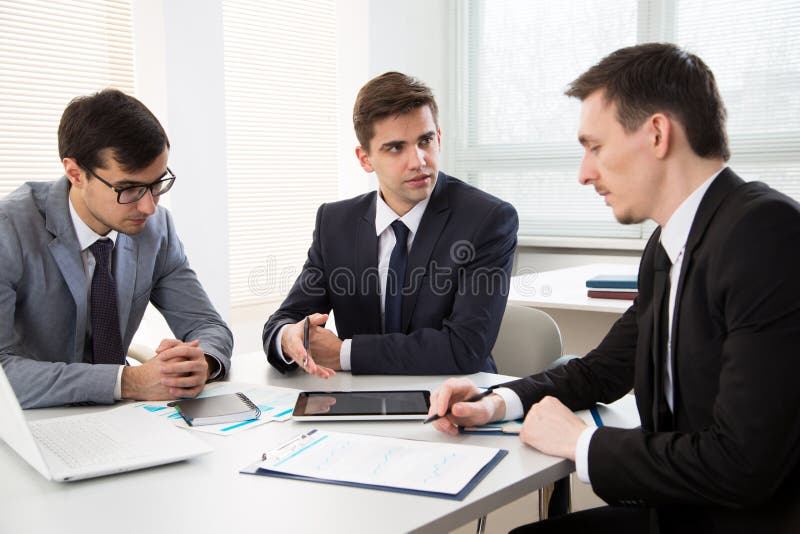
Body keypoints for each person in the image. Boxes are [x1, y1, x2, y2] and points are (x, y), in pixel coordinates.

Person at [428, 43, 800, 533]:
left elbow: (743, 463)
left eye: (595, 147)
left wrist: (582, 443)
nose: (584, 173)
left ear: (657, 133)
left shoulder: (765, 234)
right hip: (675, 510)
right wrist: (495, 401)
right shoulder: (669, 246)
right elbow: (602, 371)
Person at [262, 72, 518, 377]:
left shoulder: (487, 220)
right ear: (365, 159)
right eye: (396, 148)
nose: (418, 161)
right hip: (356, 401)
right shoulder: (335, 223)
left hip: (454, 399)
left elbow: (464, 348)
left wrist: (343, 353)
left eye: (425, 141)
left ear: (439, 137)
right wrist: (289, 337)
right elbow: (283, 322)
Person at [0, 89, 234, 409]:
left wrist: (200, 362)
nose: (149, 207)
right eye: (129, 189)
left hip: (123, 421)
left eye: (156, 184)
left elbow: (207, 325)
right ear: (75, 173)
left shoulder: (156, 227)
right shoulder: (9, 229)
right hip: (32, 422)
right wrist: (127, 381)